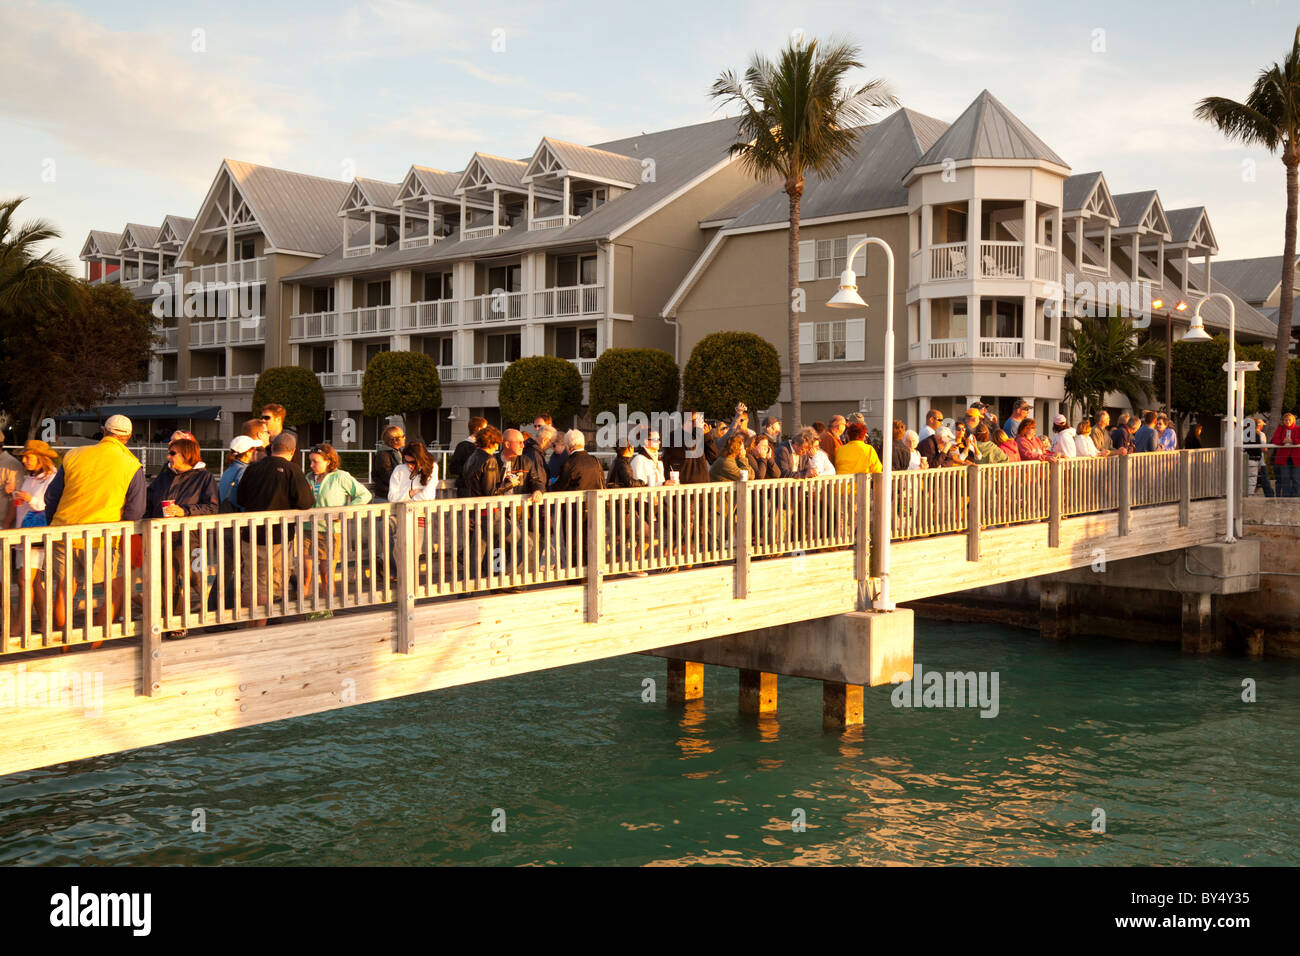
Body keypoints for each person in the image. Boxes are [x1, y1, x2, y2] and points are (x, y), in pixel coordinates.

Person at [44, 414, 146, 633]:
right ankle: (95, 646)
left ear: (103, 431)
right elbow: (136, 511)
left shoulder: (74, 454)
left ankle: (64, 648)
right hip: (103, 537)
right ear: (127, 437)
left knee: (63, 591)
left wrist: (53, 522)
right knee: (114, 592)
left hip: (63, 531)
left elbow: (51, 496)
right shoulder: (132, 464)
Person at [235, 432, 314, 626]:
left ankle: (248, 627)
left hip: (249, 533)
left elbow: (240, 499)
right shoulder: (292, 470)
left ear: (272, 447)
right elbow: (305, 503)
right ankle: (259, 630)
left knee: (249, 581)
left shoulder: (253, 468)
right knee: (267, 584)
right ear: (293, 451)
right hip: (277, 537)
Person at [146, 436, 219, 632]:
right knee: (162, 579)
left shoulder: (204, 477)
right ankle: (174, 621)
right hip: (159, 535)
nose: (168, 457)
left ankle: (187, 618)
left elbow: (212, 507)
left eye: (172, 453)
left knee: (183, 576)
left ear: (186, 454)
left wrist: (184, 510)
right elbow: (148, 501)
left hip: (186, 537)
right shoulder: (164, 476)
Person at [4, 440, 59, 631]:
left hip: (36, 535)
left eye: (28, 456)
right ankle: (46, 622)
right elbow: (25, 504)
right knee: (33, 581)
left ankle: (18, 626)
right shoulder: (31, 477)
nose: (25, 460)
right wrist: (14, 494)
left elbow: (49, 506)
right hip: (25, 533)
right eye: (24, 457)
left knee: (23, 579)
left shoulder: (51, 478)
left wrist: (30, 499)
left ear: (40, 458)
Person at [219, 436, 259, 511]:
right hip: (239, 518)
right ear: (247, 453)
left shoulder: (228, 470)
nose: (256, 452)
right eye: (254, 449)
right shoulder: (244, 472)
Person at [451, 416, 487, 495]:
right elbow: (453, 468)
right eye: (485, 429)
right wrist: (470, 471)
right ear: (478, 429)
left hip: (480, 489)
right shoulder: (463, 446)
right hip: (467, 488)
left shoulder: (484, 446)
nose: (486, 432)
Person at [1242, 417, 1272, 497]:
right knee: (1252, 479)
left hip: (1243, 458)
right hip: (1254, 459)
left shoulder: (1242, 433)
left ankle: (1244, 494)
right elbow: (1259, 449)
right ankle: (1250, 495)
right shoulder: (1257, 434)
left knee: (1244, 478)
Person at [372, 423, 405, 494]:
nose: (405, 438)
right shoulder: (383, 454)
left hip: (396, 492)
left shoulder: (398, 452)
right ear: (395, 440)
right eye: (403, 436)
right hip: (386, 495)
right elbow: (387, 475)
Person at [1273, 412, 1300, 497]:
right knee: (1285, 479)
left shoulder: (1298, 429)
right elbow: (1274, 440)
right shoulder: (1280, 429)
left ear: (1293, 421)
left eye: (1289, 420)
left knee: (1296, 479)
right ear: (1283, 421)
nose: (1287, 421)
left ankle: (1296, 496)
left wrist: (1293, 441)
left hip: (1296, 458)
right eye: (1285, 420)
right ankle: (1286, 497)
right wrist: (1282, 441)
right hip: (1283, 458)